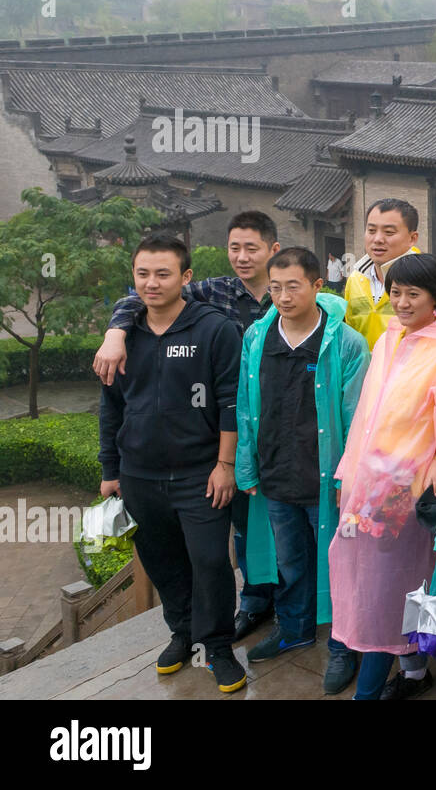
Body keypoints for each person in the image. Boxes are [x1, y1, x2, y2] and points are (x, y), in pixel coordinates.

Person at [93, 210, 282, 643]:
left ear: (273, 249)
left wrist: (225, 462)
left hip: (261, 435)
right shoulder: (212, 292)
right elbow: (144, 296)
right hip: (169, 465)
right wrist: (116, 331)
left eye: (251, 247)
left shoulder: (291, 289)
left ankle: (283, 614)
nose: (240, 256)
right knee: (200, 543)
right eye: (234, 246)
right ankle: (238, 610)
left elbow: (226, 396)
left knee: (263, 532)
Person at [98, 234, 247, 693]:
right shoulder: (124, 337)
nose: (152, 283)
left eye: (163, 274)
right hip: (139, 475)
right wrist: (110, 470)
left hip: (199, 474)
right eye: (143, 274)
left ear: (185, 277)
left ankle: (217, 646)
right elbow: (111, 407)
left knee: (209, 562)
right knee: (162, 562)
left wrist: (225, 465)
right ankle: (182, 634)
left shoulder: (214, 329)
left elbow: (229, 403)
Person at [329, 253, 436, 700]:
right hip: (363, 484)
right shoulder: (388, 339)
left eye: (414, 294)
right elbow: (365, 416)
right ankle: (412, 670)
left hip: (401, 493)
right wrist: (345, 476)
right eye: (396, 293)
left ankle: (368, 689)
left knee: (385, 588)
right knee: (362, 575)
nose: (403, 303)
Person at [234, 248, 371, 695]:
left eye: (293, 286)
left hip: (326, 477)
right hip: (276, 475)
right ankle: (293, 628)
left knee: (341, 564)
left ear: (317, 285)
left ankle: (343, 644)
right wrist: (246, 465)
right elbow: (244, 405)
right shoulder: (257, 336)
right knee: (289, 562)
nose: (283, 296)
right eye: (275, 288)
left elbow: (356, 418)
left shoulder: (345, 342)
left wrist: (346, 476)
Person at [344, 198, 436, 350]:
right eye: (371, 230)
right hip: (367, 372)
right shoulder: (356, 278)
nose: (378, 239)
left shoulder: (427, 277)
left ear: (412, 238)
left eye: (389, 232)